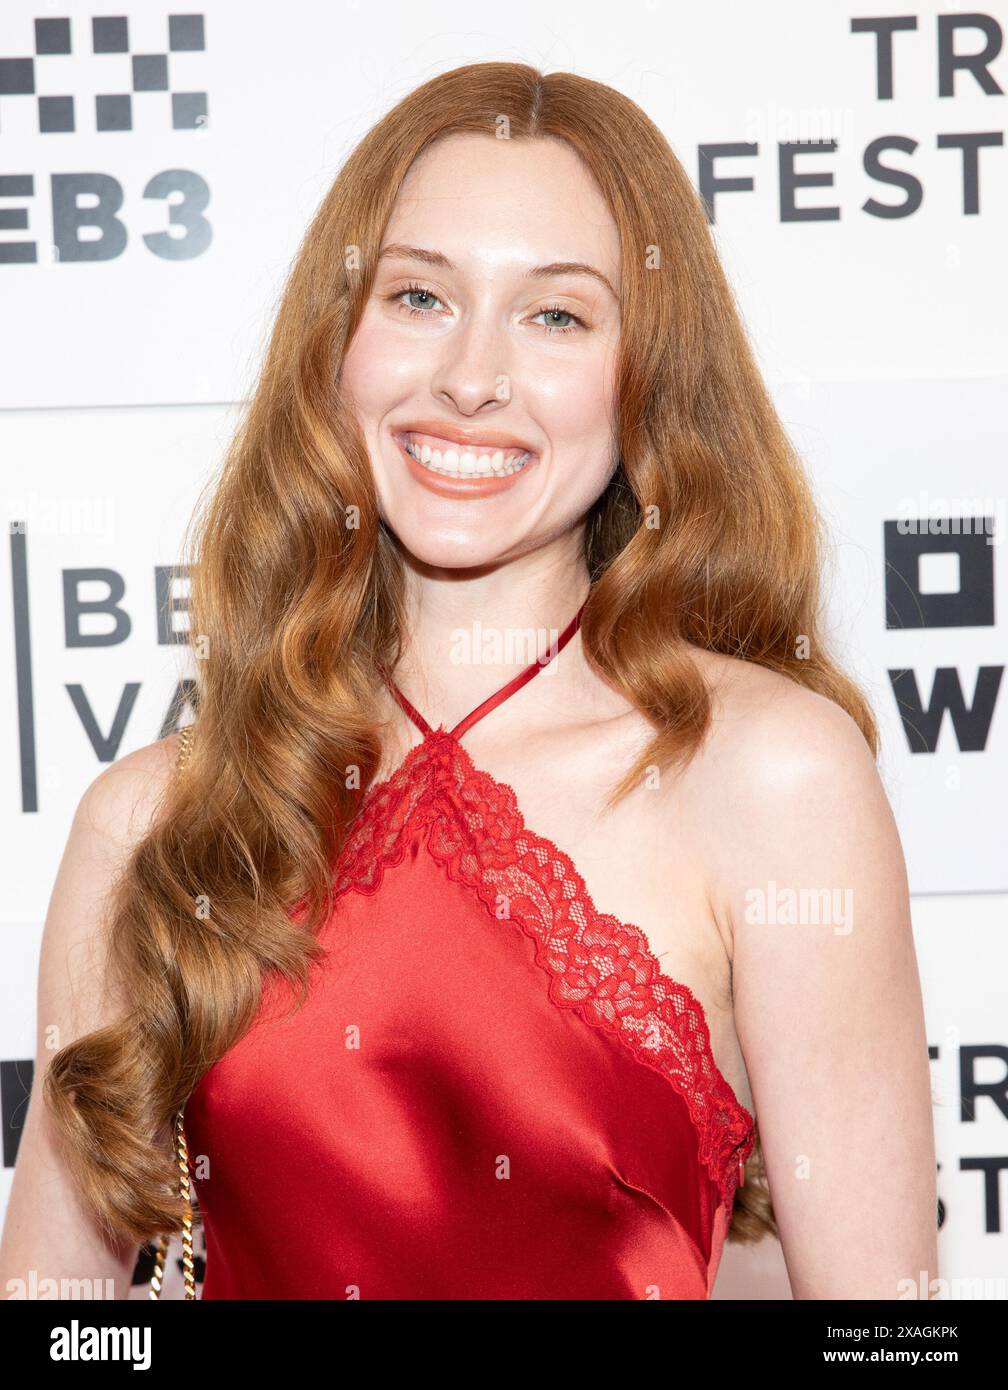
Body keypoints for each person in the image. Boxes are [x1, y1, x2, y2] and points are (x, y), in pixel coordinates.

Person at [0, 61, 937, 1300]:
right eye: (420, 296)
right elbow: (58, 1321)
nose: (471, 376)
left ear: (645, 374)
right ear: (337, 339)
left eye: (556, 316)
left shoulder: (771, 773)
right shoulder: (154, 823)